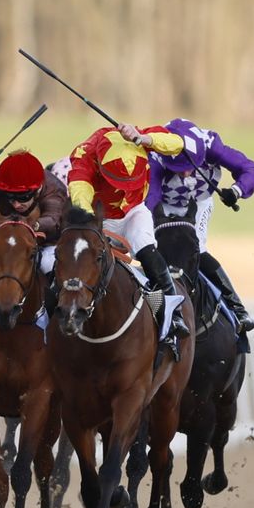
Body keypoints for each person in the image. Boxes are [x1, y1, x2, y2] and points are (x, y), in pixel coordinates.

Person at [65, 122, 191, 354]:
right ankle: (53, 314)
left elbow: (178, 144)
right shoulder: (85, 155)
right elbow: (80, 192)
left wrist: (145, 140)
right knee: (76, 258)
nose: (123, 189)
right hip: (98, 217)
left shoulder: (138, 137)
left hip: (134, 211)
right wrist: (91, 225)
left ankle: (173, 312)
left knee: (146, 248)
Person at [147, 118, 254, 333]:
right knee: (150, 248)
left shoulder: (211, 145)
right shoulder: (156, 154)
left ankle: (236, 307)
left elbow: (253, 170)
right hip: (162, 203)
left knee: (197, 248)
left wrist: (236, 190)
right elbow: (152, 195)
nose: (183, 174)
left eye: (187, 167)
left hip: (199, 201)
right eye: (177, 168)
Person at [0, 150, 68, 301]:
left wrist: (32, 226)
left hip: (48, 245)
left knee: (47, 265)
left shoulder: (54, 189)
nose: (16, 204)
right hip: (12, 245)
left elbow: (53, 218)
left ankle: (57, 314)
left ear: (37, 189)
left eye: (23, 197)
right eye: (10, 197)